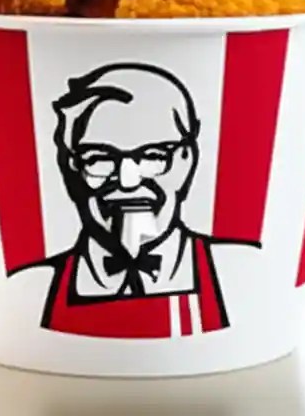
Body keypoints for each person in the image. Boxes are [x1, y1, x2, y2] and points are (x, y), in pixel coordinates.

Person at [15, 63, 248, 339]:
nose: (128, 181)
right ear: (69, 168)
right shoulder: (29, 287)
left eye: (153, 156)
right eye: (99, 158)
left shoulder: (239, 268)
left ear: (187, 161)